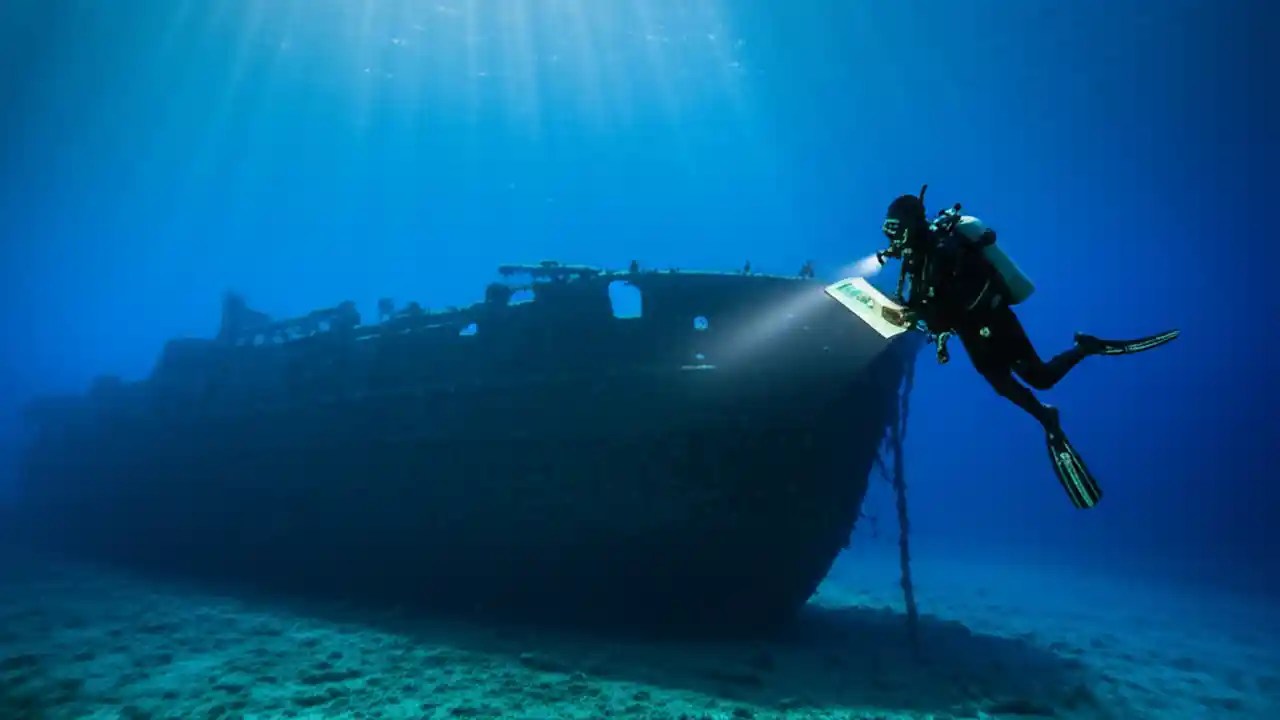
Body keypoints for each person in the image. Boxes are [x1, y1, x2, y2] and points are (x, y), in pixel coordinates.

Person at [875, 186, 1179, 509]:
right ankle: (1046, 417)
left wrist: (922, 316)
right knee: (1003, 386)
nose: (893, 239)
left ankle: (1086, 347)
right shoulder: (917, 257)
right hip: (971, 334)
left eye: (896, 230)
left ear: (912, 225)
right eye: (888, 231)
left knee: (1041, 378)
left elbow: (953, 302)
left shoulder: (946, 249)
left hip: (995, 323)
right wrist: (913, 313)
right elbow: (928, 304)